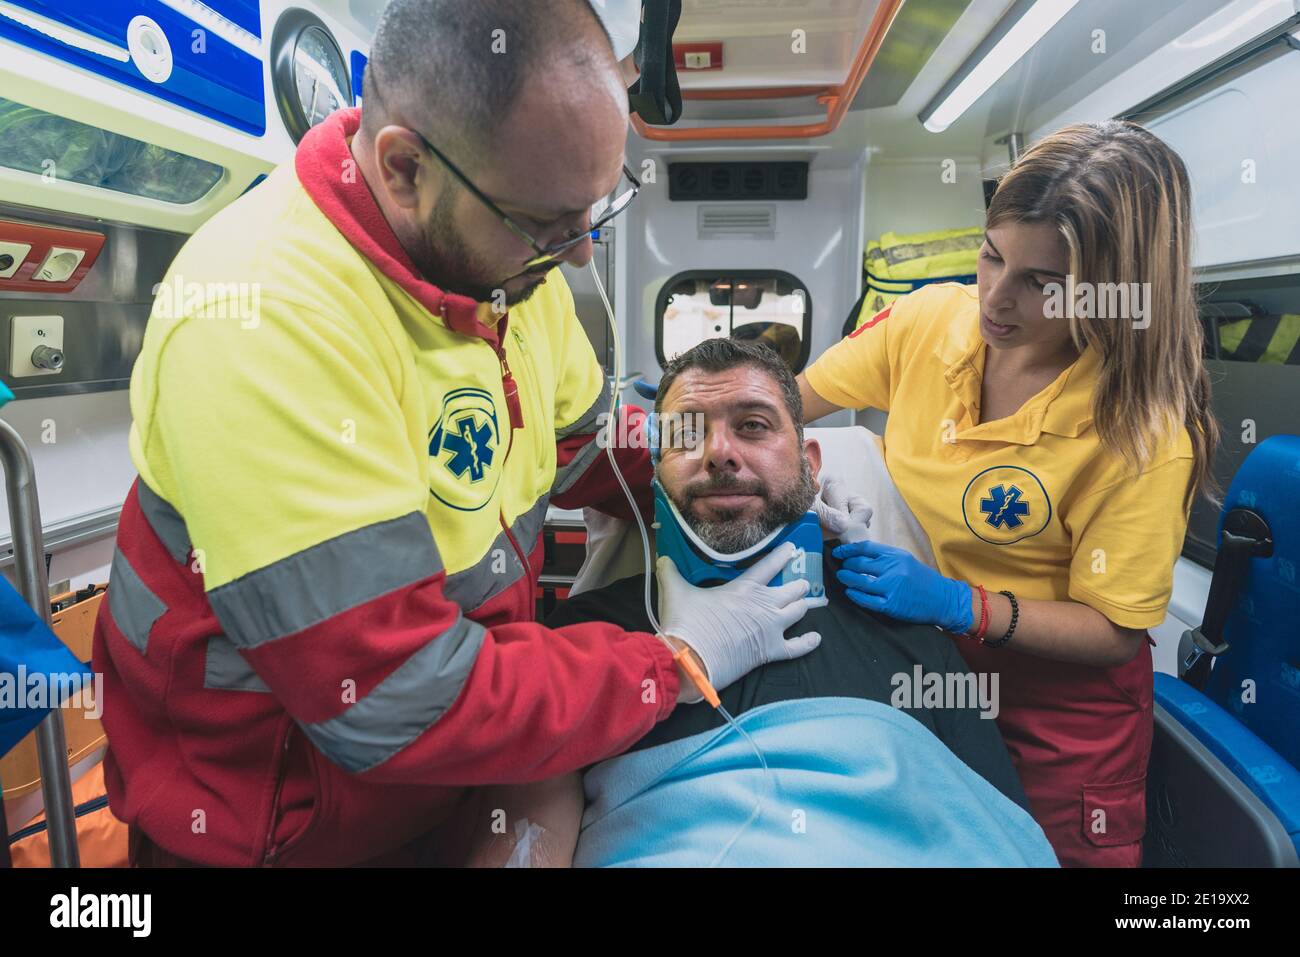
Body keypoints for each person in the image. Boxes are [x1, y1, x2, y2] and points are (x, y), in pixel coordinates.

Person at [91, 0, 816, 868]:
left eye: (597, 209)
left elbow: (591, 443)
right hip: (271, 827)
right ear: (404, 169)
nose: (579, 253)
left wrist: (748, 462)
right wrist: (673, 660)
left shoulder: (514, 277)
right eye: (546, 222)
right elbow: (394, 694)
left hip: (439, 791)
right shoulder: (263, 318)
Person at [460, 338, 1055, 867]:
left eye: (753, 425)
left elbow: (995, 830)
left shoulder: (902, 627)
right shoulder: (586, 638)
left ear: (810, 465)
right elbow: (524, 837)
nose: (719, 452)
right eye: (687, 434)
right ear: (657, 475)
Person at [797, 121, 1218, 866]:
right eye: (992, 256)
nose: (996, 297)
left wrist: (961, 602)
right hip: (939, 671)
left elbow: (1115, 631)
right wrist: (697, 422)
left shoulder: (1140, 433)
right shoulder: (930, 325)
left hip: (1062, 723)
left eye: (1041, 283)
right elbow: (793, 400)